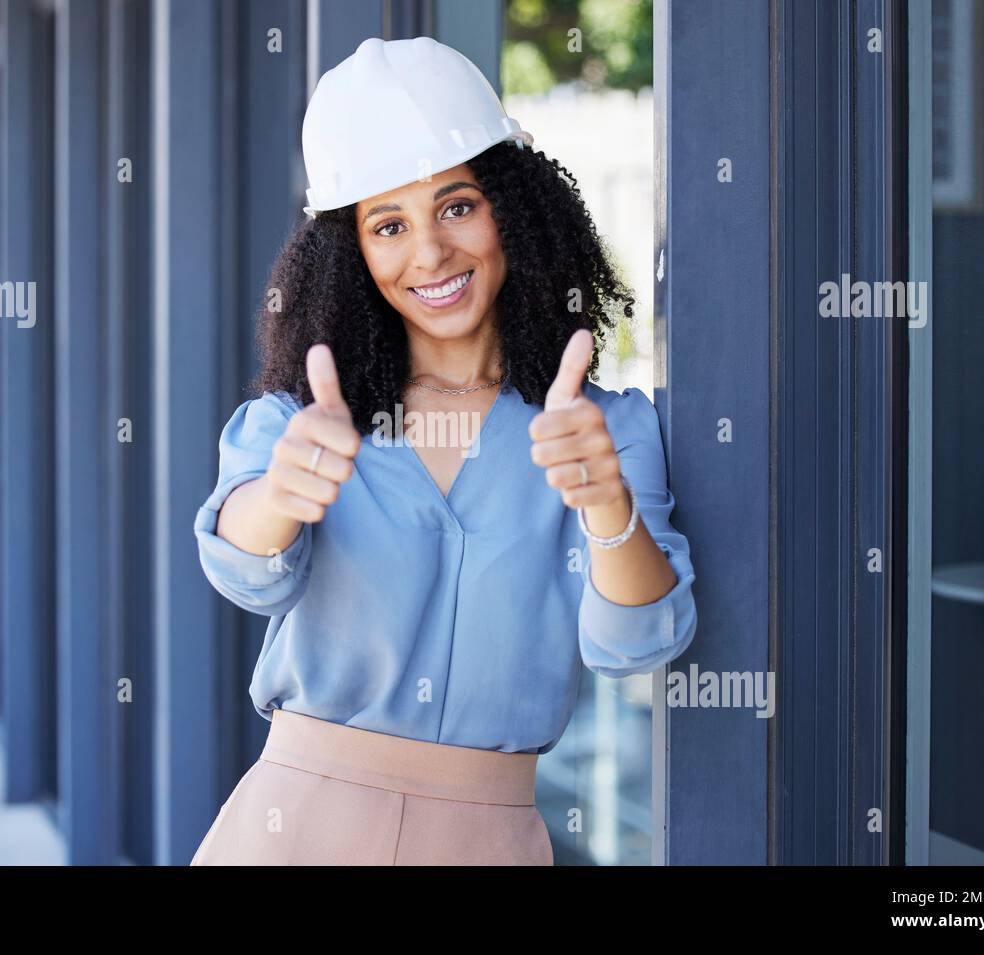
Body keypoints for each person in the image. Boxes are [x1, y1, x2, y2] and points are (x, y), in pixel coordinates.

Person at [189, 36, 697, 866]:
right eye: (389, 224)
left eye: (457, 206)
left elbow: (635, 643)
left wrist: (606, 503)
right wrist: (281, 492)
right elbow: (244, 570)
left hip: (489, 836)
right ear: (351, 255)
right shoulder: (303, 422)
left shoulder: (604, 430)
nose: (429, 253)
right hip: (293, 827)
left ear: (515, 209)